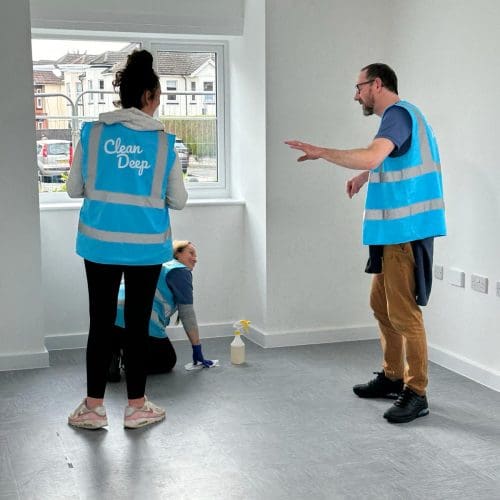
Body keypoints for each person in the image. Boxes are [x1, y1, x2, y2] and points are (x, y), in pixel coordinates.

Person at [285, 63, 446, 424]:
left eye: (359, 87)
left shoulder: (397, 115)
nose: (356, 95)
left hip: (404, 232)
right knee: (381, 306)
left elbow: (374, 153)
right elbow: (386, 160)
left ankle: (417, 392)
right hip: (391, 233)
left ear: (377, 84)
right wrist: (364, 175)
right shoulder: (403, 117)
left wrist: (322, 151)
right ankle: (392, 376)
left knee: (404, 314)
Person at [66, 49, 188, 429]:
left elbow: (73, 189)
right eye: (159, 97)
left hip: (99, 244)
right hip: (146, 248)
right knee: (137, 327)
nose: (158, 104)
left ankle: (93, 408)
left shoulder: (93, 133)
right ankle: (136, 408)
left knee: (101, 324)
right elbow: (178, 200)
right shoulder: (164, 144)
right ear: (149, 96)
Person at [108, 240, 214, 381]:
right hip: (138, 321)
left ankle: (112, 353)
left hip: (111, 319)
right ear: (177, 254)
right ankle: (129, 358)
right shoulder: (179, 271)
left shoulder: (158, 264)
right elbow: (187, 313)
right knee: (167, 360)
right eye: (191, 253)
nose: (195, 259)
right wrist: (196, 347)